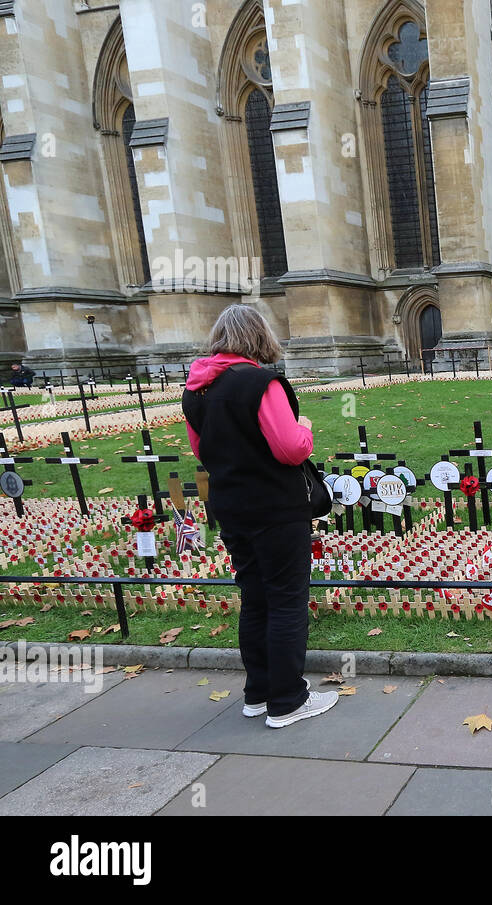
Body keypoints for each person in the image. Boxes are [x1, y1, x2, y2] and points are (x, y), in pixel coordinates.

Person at [181, 304, 336, 729]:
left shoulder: (197, 390)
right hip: (275, 506)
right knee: (287, 600)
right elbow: (290, 449)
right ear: (259, 337)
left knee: (255, 597)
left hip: (231, 505)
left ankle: (259, 692)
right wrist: (303, 425)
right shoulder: (261, 381)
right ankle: (287, 700)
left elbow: (201, 450)